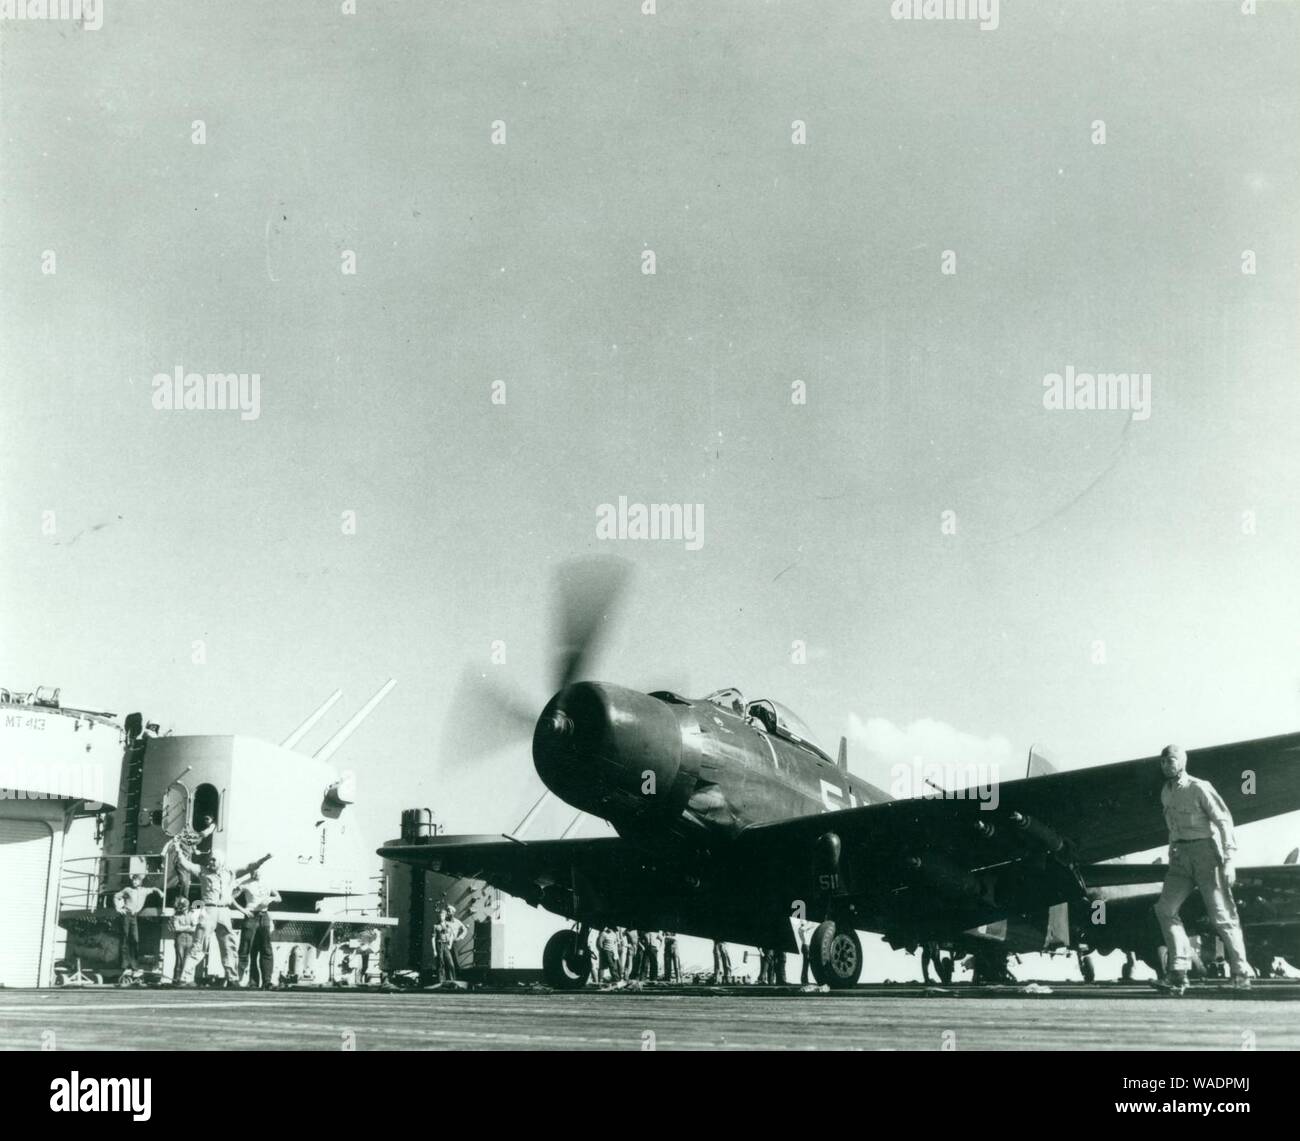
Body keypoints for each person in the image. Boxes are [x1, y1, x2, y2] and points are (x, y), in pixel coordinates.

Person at [1153, 744, 1252, 994]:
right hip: (1180, 857)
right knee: (1165, 909)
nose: (1166, 764)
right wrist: (1172, 851)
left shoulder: (1199, 787)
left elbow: (1223, 820)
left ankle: (1240, 974)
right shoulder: (1166, 792)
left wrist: (1230, 859)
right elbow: (1173, 827)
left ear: (1182, 762)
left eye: (1171, 760)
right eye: (1163, 761)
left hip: (1206, 854)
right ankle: (1178, 973)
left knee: (1222, 915)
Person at [167, 842, 272, 987]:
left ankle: (232, 978)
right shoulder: (202, 871)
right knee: (199, 944)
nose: (210, 862)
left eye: (213, 859)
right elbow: (186, 864)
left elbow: (249, 867)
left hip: (224, 911)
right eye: (210, 859)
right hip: (208, 910)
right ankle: (184, 978)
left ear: (221, 861)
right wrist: (178, 850)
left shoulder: (230, 873)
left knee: (229, 945)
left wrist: (263, 860)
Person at [234, 867, 281, 989]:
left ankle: (267, 981)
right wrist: (243, 910)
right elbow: (231, 898)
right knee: (246, 948)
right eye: (253, 870)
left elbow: (279, 897)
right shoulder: (245, 884)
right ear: (250, 872)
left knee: (266, 949)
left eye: (258, 870)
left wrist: (270, 899)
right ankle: (245, 980)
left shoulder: (268, 882)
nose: (256, 873)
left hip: (264, 916)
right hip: (251, 916)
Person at [114, 874, 149, 982]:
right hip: (126, 914)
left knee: (135, 939)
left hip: (134, 916)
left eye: (137, 880)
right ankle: (125, 966)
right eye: (133, 880)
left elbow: (153, 889)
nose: (134, 882)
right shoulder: (127, 889)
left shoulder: (143, 890)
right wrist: (117, 908)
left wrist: (160, 892)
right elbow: (116, 895)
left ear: (140, 882)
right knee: (125, 938)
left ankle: (134, 966)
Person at [433, 906, 467, 983]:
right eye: (447, 911)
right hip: (444, 943)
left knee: (454, 960)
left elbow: (464, 930)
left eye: (449, 911)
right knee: (443, 961)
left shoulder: (457, 922)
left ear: (453, 913)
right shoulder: (444, 922)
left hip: (453, 943)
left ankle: (454, 978)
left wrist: (460, 938)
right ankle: (443, 979)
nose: (448, 913)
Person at [170, 898, 199, 984]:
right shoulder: (176, 915)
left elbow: (194, 928)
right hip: (180, 939)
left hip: (190, 939)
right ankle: (176, 980)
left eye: (184, 907)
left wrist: (183, 928)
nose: (182, 909)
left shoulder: (192, 914)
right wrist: (188, 927)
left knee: (188, 960)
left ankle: (187, 979)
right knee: (179, 959)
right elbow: (176, 928)